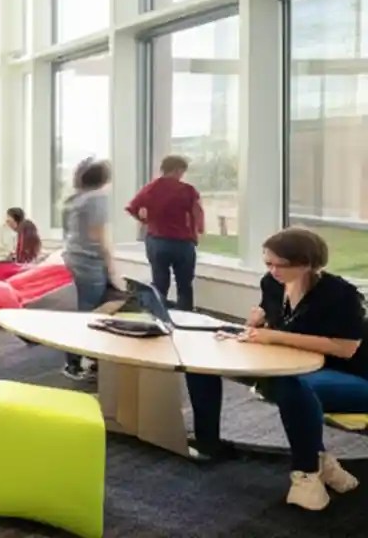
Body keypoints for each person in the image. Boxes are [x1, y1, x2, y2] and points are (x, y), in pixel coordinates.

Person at [184, 228, 365, 511]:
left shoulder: (340, 294)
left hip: (350, 373)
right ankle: (209, 443)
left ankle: (307, 472)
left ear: (307, 262)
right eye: (268, 263)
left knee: (290, 384)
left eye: (282, 265)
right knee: (203, 363)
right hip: (292, 362)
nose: (274, 270)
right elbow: (272, 323)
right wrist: (253, 325)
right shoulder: (271, 284)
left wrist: (275, 336)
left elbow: (345, 348)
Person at [61, 159, 124, 381]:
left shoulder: (74, 199)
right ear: (104, 179)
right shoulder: (98, 199)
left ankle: (90, 360)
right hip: (90, 263)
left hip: (74, 259)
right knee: (92, 313)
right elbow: (100, 237)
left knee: (85, 311)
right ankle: (76, 364)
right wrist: (113, 270)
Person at [126, 154, 204, 311]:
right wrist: (197, 233)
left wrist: (145, 221)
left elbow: (132, 207)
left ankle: (158, 315)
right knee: (184, 284)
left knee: (160, 282)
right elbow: (197, 213)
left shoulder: (150, 188)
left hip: (157, 241)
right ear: (177, 170)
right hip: (182, 243)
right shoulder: (187, 190)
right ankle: (186, 317)